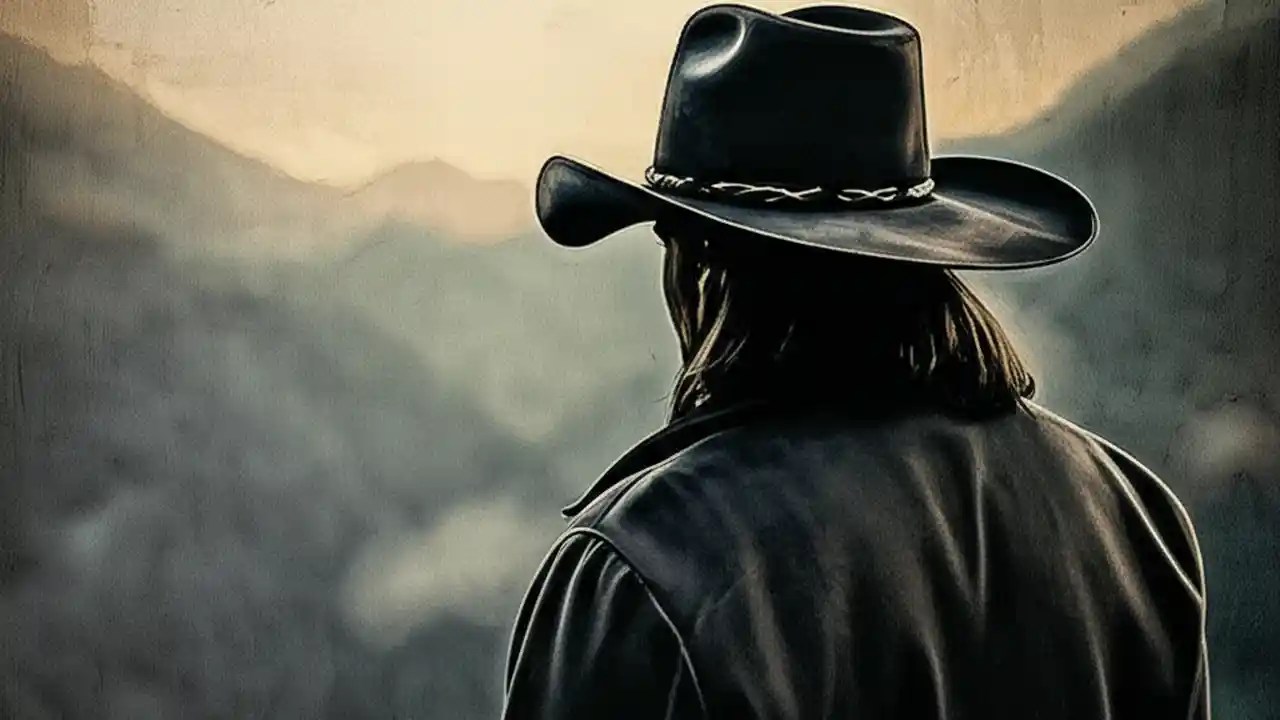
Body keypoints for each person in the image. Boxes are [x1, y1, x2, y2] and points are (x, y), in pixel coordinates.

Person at [500, 4, 1210, 719]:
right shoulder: (1134, 521)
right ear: (918, 249)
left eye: (669, 243)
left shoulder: (643, 571)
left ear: (701, 266)